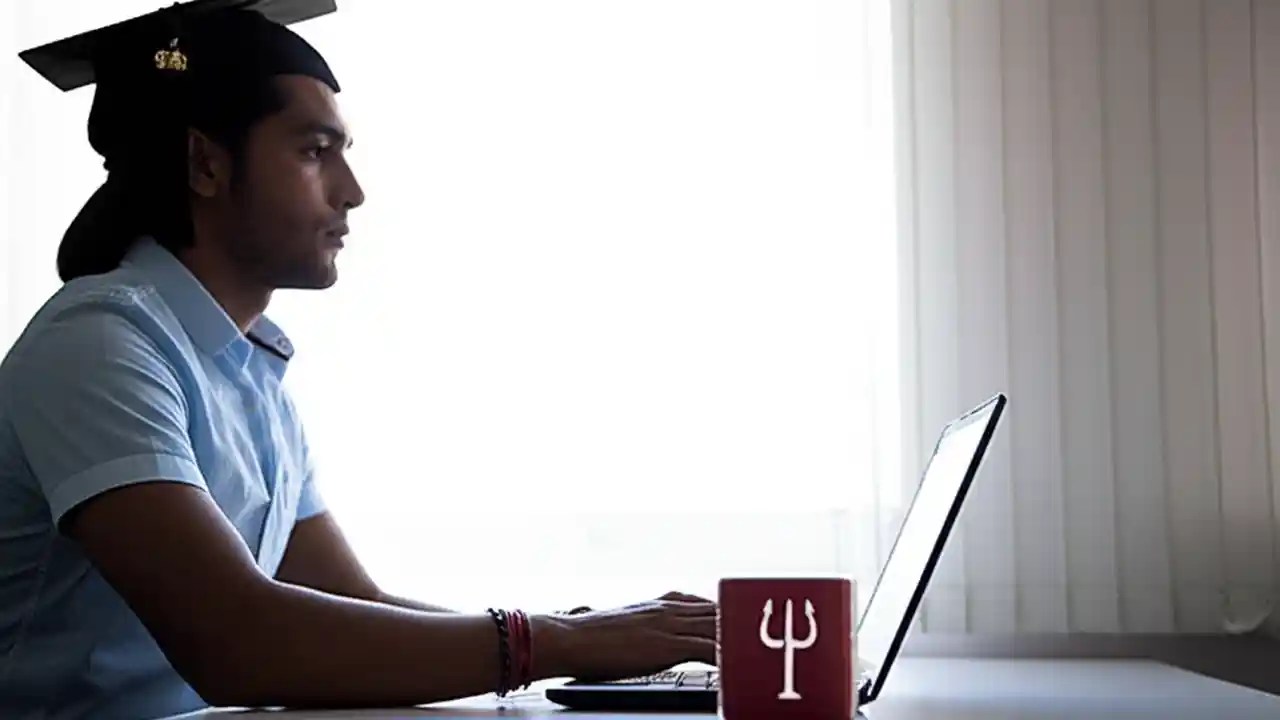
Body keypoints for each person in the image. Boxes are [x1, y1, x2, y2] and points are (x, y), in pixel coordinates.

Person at [0, 2, 717, 718]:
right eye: (315, 151)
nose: (353, 191)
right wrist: (557, 641)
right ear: (205, 163)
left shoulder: (246, 369)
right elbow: (238, 641)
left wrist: (581, 642)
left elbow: (348, 607)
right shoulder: (98, 345)